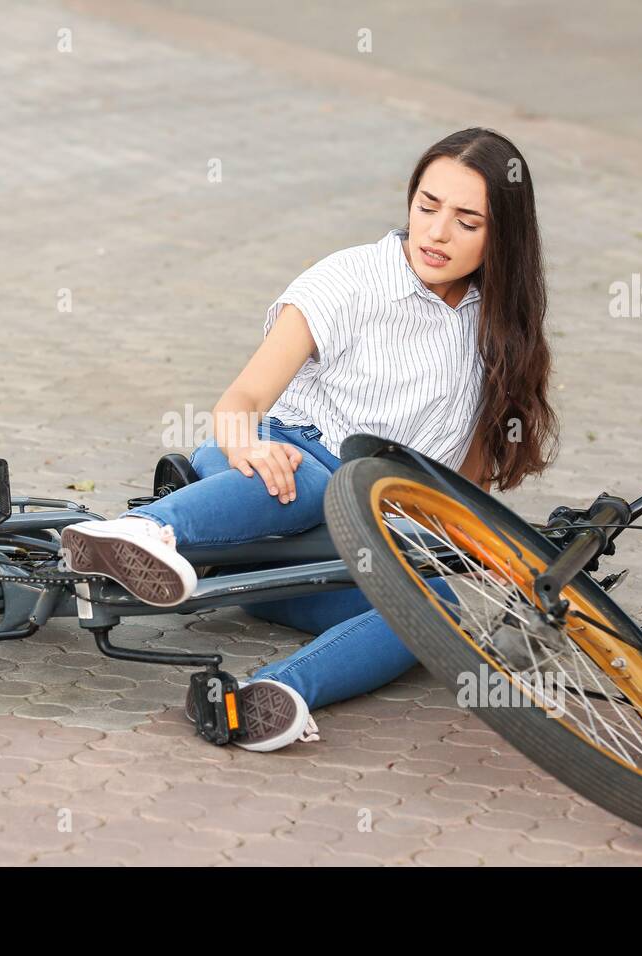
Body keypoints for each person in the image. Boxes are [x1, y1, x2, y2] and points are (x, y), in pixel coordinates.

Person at [62, 127, 558, 751]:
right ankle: (138, 533)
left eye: (466, 221)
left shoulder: (497, 336)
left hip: (334, 544)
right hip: (264, 469)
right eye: (427, 207)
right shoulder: (351, 279)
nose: (435, 233)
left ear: (503, 235)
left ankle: (272, 695)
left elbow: (459, 495)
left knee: (435, 609)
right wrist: (249, 446)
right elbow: (240, 402)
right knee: (315, 477)